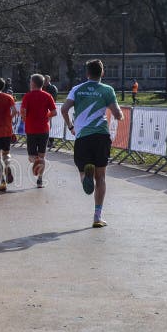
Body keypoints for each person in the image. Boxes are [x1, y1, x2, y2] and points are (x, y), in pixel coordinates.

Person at [61, 59, 123, 228]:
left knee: (82, 170)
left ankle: (84, 178)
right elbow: (117, 113)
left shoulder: (77, 89)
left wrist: (71, 126)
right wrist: (119, 116)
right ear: (102, 73)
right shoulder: (107, 90)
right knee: (101, 177)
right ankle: (97, 216)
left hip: (83, 137)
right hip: (101, 136)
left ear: (87, 73)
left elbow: (64, 109)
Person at [20, 74, 57, 188]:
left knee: (31, 157)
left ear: (32, 83)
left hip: (31, 129)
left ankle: (35, 161)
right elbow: (54, 112)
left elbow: (23, 111)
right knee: (42, 156)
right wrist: (46, 116)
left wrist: (25, 119)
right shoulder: (48, 96)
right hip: (44, 129)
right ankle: (40, 179)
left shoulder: (27, 96)